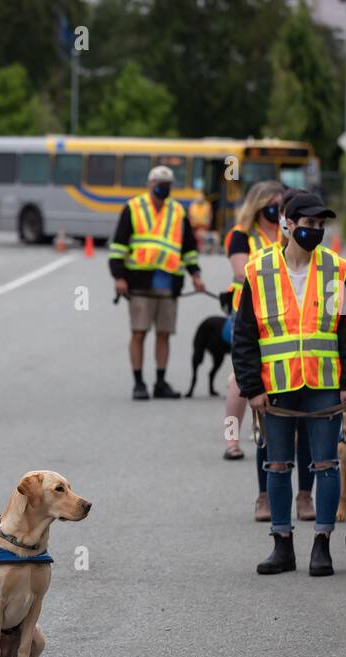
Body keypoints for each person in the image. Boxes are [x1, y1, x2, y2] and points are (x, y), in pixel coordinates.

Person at [232, 191, 346, 576]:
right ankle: (282, 546)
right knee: (277, 466)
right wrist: (251, 387)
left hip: (323, 385)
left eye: (321, 226)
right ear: (288, 225)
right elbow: (244, 336)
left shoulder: (336, 270)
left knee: (325, 465)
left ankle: (322, 545)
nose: (316, 232)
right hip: (275, 387)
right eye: (309, 225)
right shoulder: (257, 271)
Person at [219, 181, 314, 523]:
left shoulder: (288, 233)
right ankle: (232, 439)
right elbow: (243, 273)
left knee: (299, 421)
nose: (277, 211)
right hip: (245, 316)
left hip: (286, 324)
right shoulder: (241, 235)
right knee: (238, 381)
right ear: (259, 205)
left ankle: (304, 494)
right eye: (272, 205)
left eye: (281, 205)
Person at [109, 165, 206, 400]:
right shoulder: (133, 208)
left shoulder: (178, 212)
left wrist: (195, 275)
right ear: (150, 184)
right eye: (158, 183)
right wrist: (119, 277)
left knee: (164, 333)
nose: (163, 188)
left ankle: (160, 382)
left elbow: (188, 248)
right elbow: (118, 246)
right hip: (139, 282)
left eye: (167, 184)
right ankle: (139, 383)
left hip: (169, 283)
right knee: (139, 332)